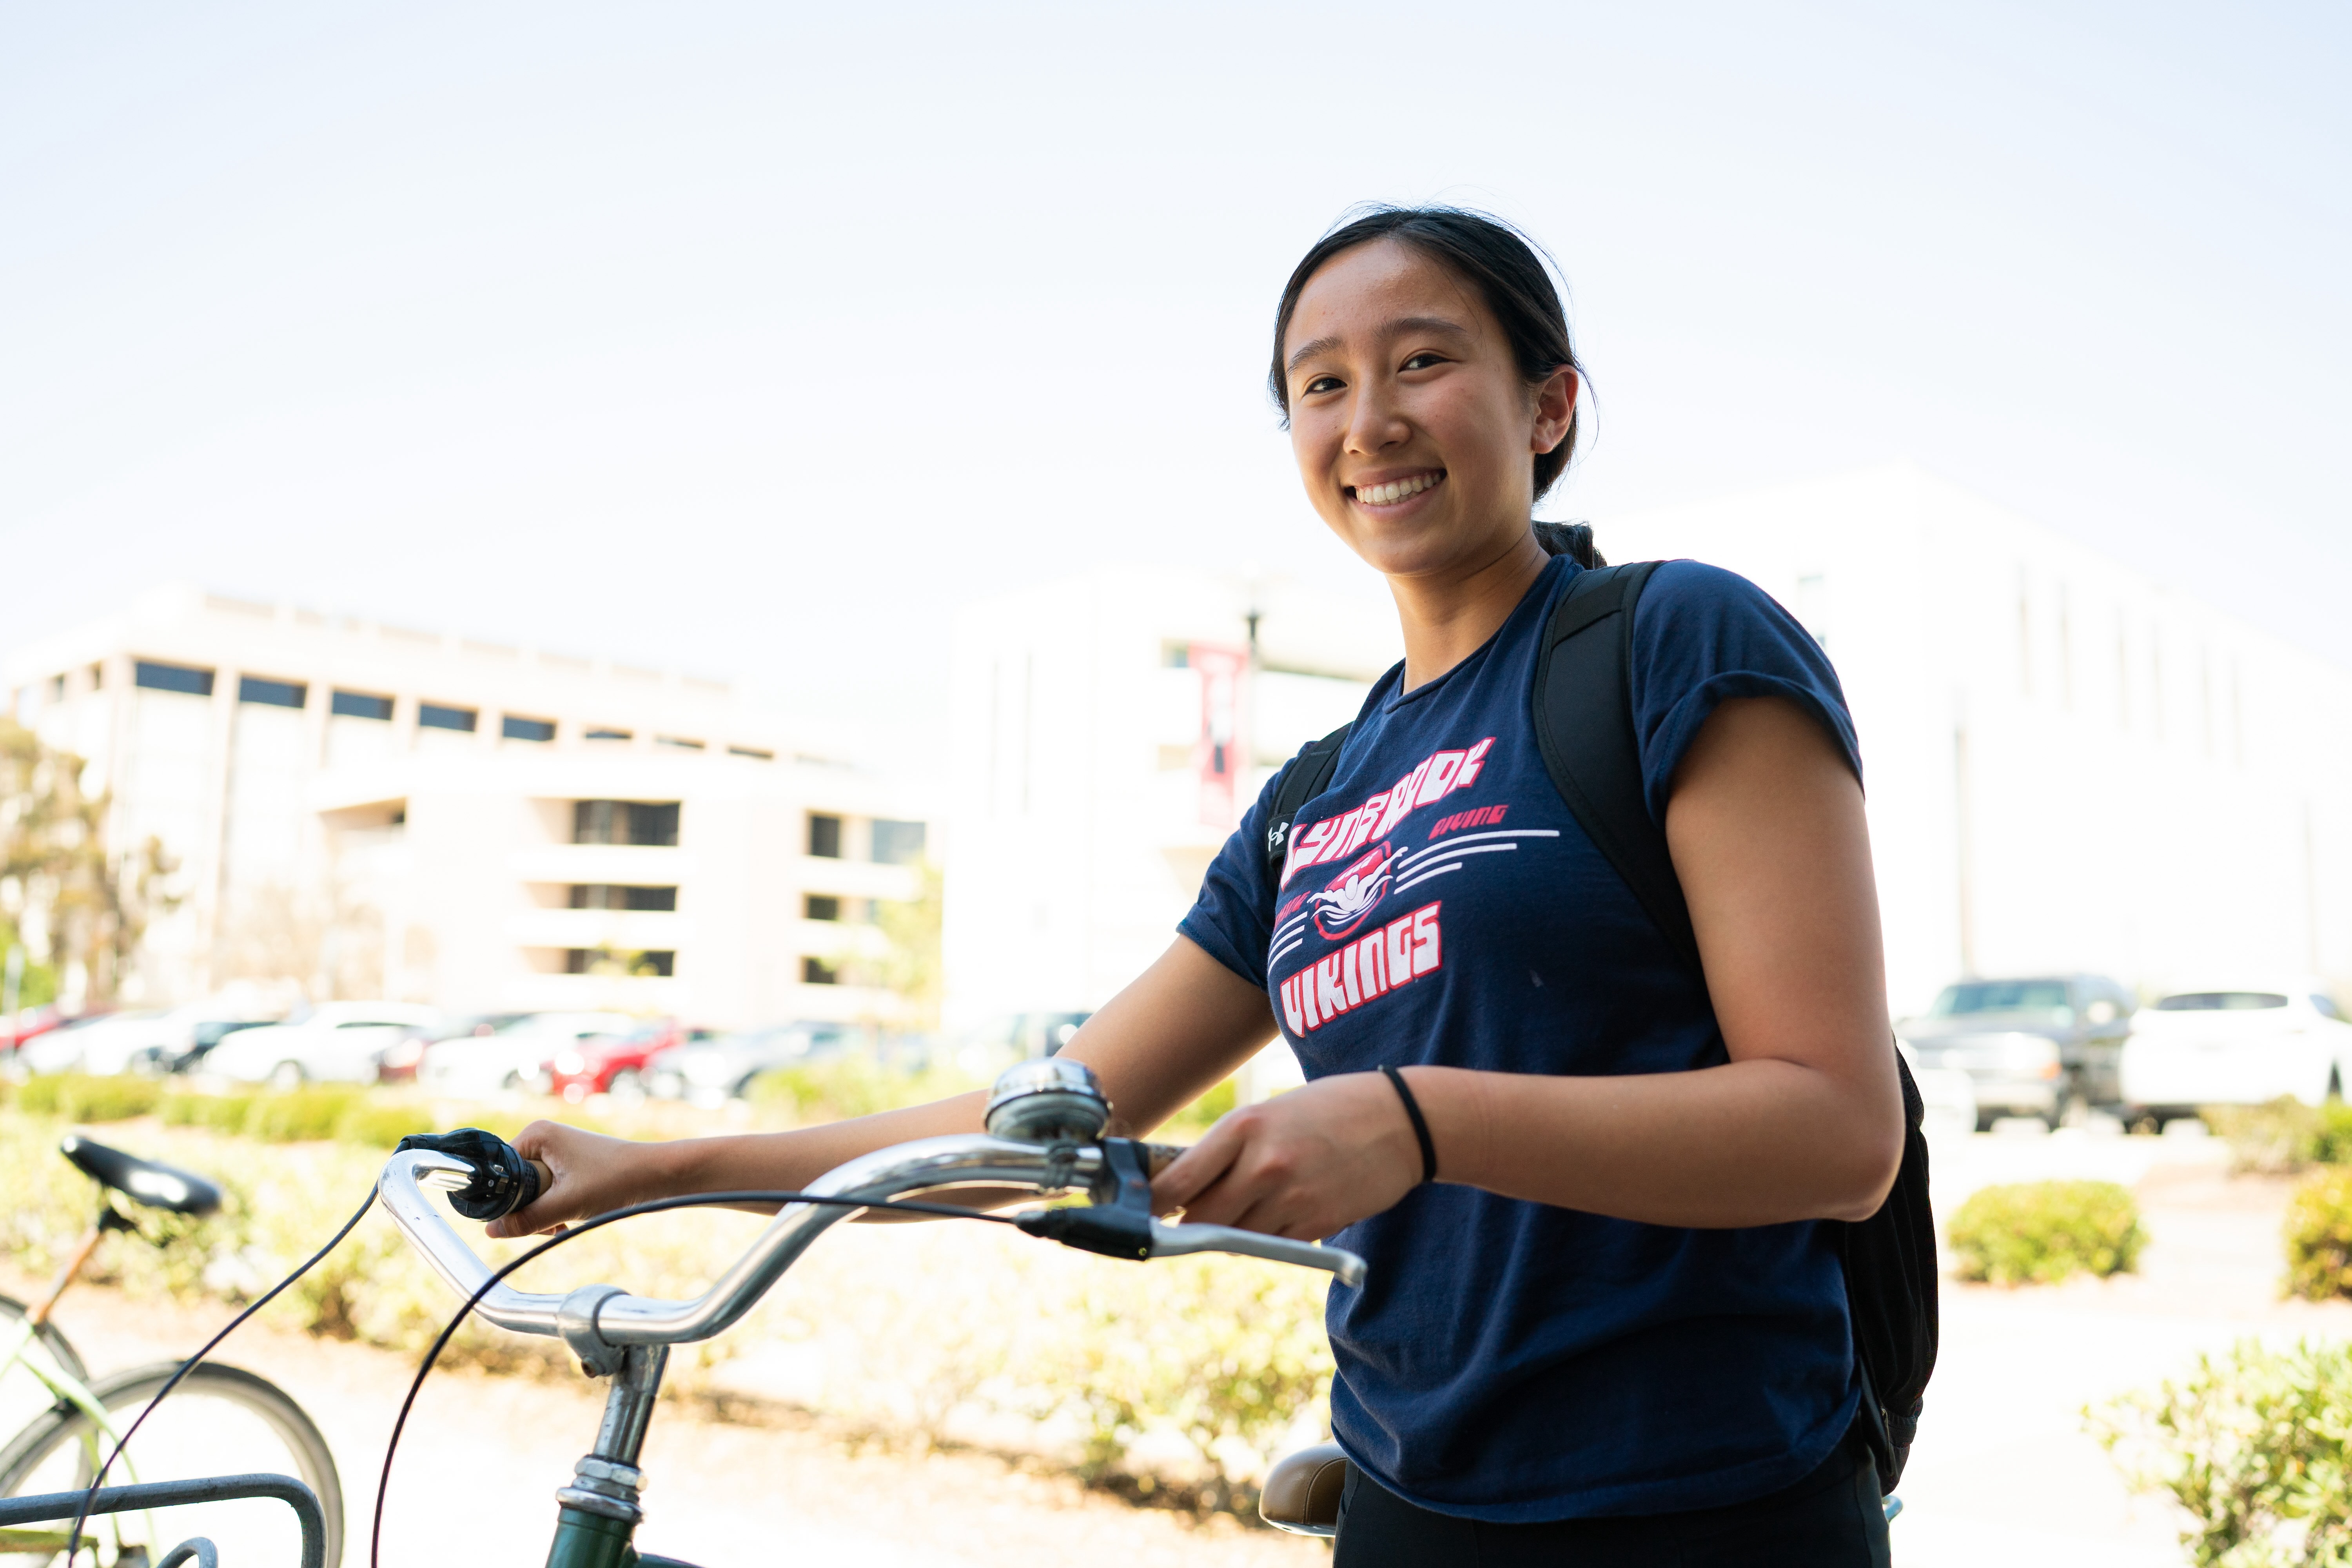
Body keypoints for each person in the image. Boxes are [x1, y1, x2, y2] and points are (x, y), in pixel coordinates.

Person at [495, 205, 1903, 1566]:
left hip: (1707, 1499)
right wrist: (651, 1174)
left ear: (1548, 409)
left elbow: (1838, 1133)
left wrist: (1412, 1124)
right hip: (1417, 1499)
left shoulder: (1674, 643)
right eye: (1320, 385)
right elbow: (1027, 1126)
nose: (1369, 421)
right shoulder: (1315, 801)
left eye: (1423, 361)